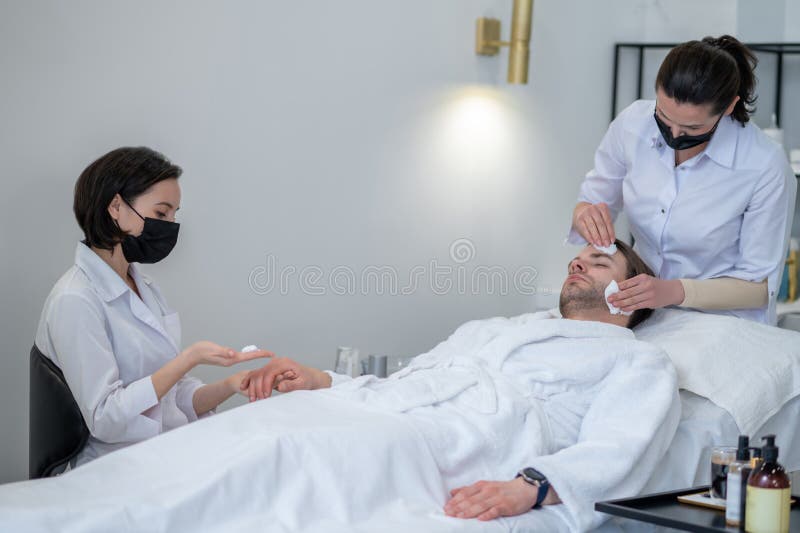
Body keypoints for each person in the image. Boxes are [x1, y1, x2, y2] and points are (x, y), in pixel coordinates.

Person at [238, 240, 677, 529]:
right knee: (266, 431)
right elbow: (407, 382)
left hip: (461, 439)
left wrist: (531, 486)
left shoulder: (637, 359)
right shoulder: (494, 328)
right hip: (391, 414)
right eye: (576, 259)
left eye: (599, 262)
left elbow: (619, 447)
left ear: (635, 292)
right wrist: (323, 382)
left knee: (296, 454)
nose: (578, 262)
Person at [34, 146, 272, 466]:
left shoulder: (141, 285)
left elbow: (172, 398)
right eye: (161, 213)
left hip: (157, 452)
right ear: (116, 206)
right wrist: (187, 359)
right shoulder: (75, 300)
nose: (171, 225)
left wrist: (232, 385)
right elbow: (107, 419)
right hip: (109, 465)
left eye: (174, 214)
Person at [568, 35, 796, 325]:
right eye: (663, 117)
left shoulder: (764, 166)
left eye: (692, 127)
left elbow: (759, 288)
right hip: (645, 317)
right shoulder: (632, 124)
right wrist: (584, 213)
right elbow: (593, 199)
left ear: (728, 107)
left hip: (724, 325)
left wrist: (674, 291)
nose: (674, 135)